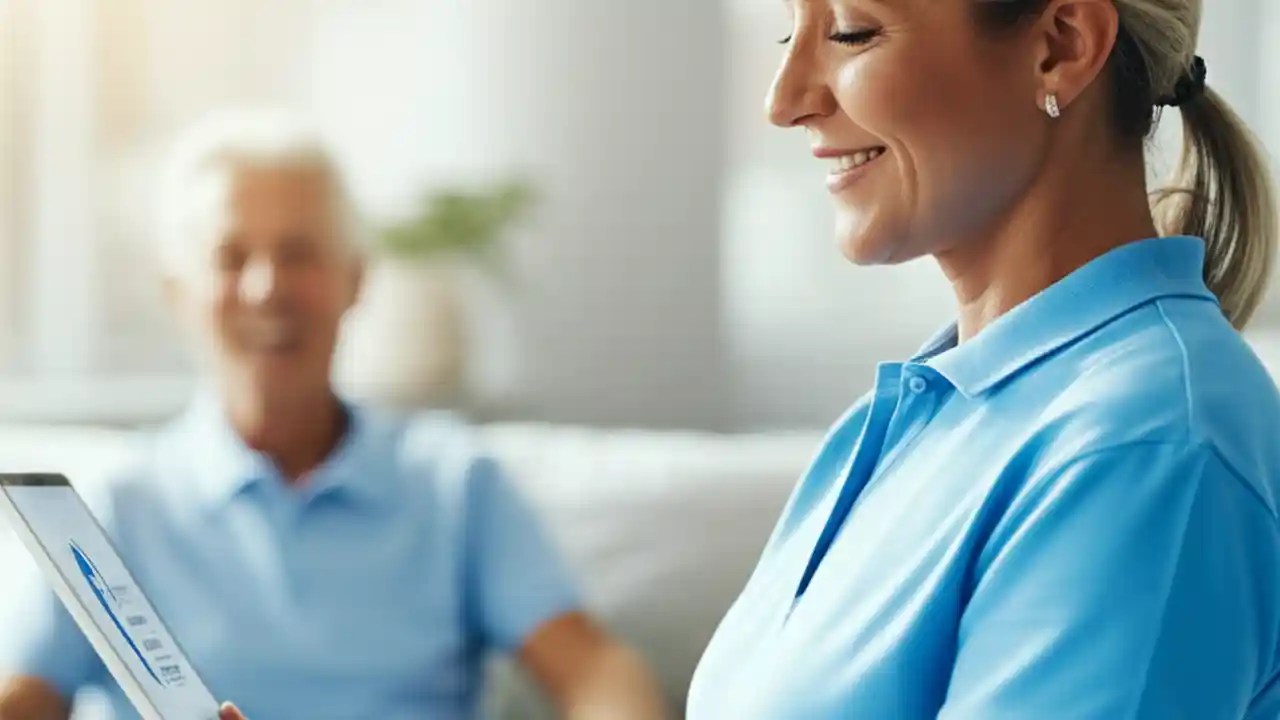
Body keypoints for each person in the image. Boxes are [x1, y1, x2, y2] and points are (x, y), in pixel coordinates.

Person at [688, 0, 1280, 718]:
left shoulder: (1144, 446)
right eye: (791, 30)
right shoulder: (908, 416)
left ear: (1059, 47)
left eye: (851, 32)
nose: (784, 102)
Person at [0, 110, 666, 720]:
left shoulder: (456, 484)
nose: (268, 288)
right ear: (179, 293)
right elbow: (22, 697)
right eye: (232, 257)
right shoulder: (118, 508)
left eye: (298, 255)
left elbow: (592, 670)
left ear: (355, 278)